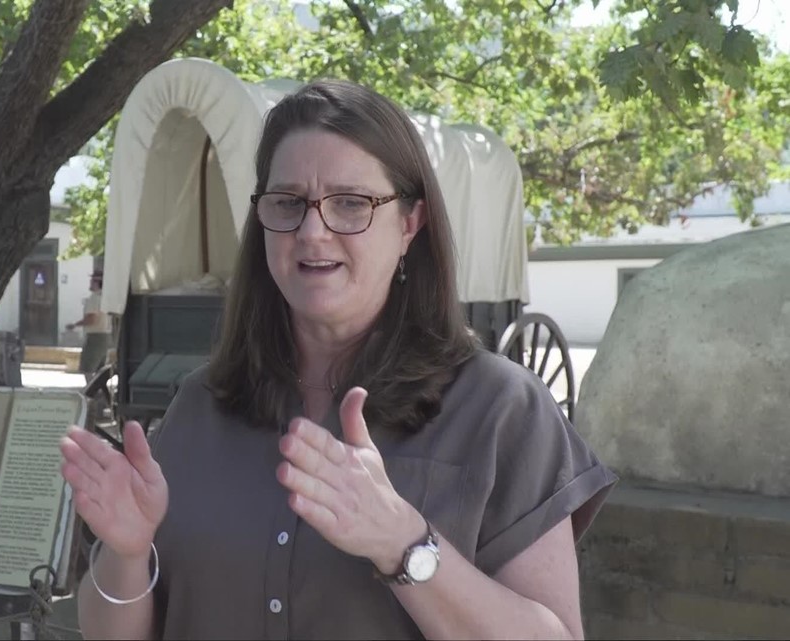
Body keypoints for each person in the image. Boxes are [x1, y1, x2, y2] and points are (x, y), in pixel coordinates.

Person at [60, 78, 617, 640]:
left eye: (351, 203)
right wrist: (128, 553)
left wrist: (401, 540)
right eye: (287, 203)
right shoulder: (200, 406)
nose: (312, 231)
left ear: (409, 224)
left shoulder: (501, 409)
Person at [66, 271, 113, 383]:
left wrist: (75, 325)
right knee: (100, 369)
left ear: (97, 282)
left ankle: (91, 390)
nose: (90, 283)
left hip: (95, 336)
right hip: (106, 336)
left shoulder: (94, 298)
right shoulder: (106, 299)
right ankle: (100, 390)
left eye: (92, 281)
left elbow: (91, 319)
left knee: (87, 368)